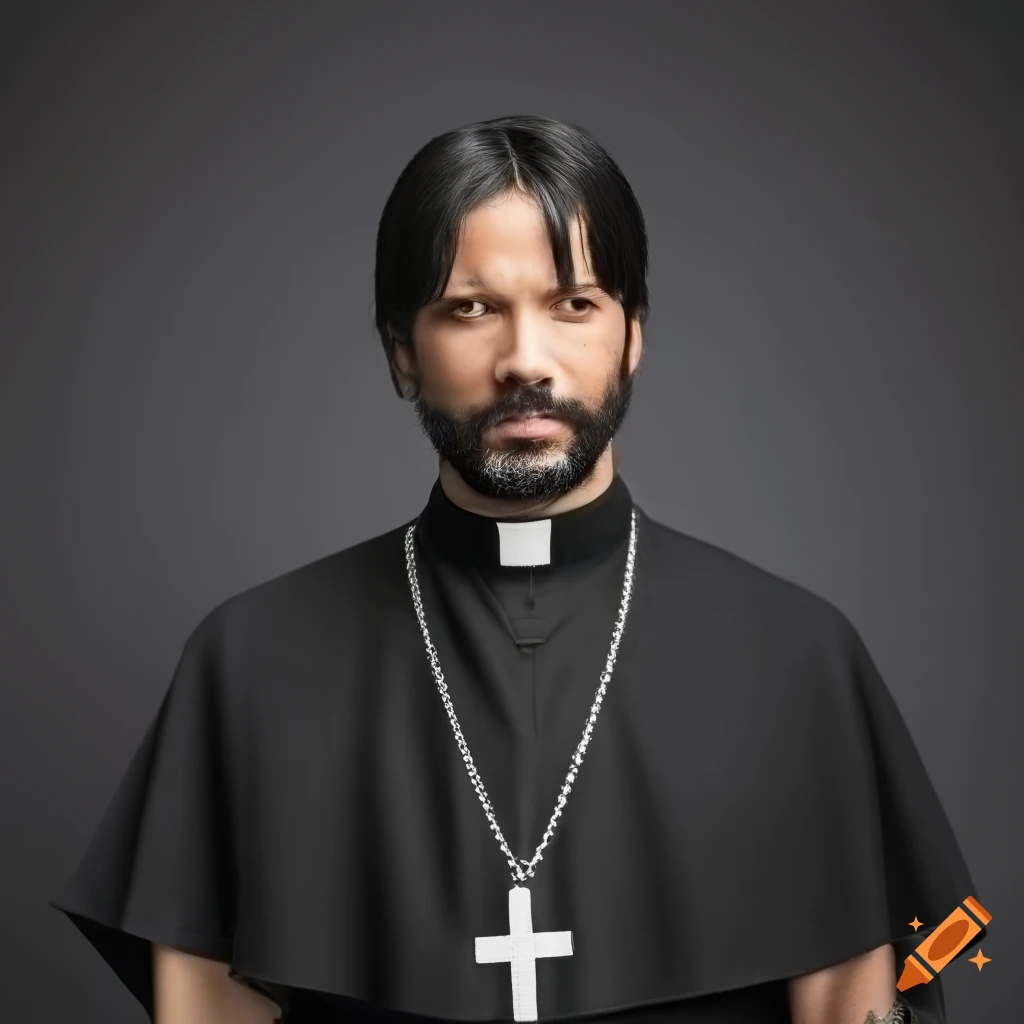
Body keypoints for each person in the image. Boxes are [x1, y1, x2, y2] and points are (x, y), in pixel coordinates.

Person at [50, 115, 983, 1024]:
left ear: (633, 336)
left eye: (574, 304)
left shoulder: (796, 659)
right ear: (400, 352)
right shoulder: (251, 663)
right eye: (471, 309)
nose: (524, 361)